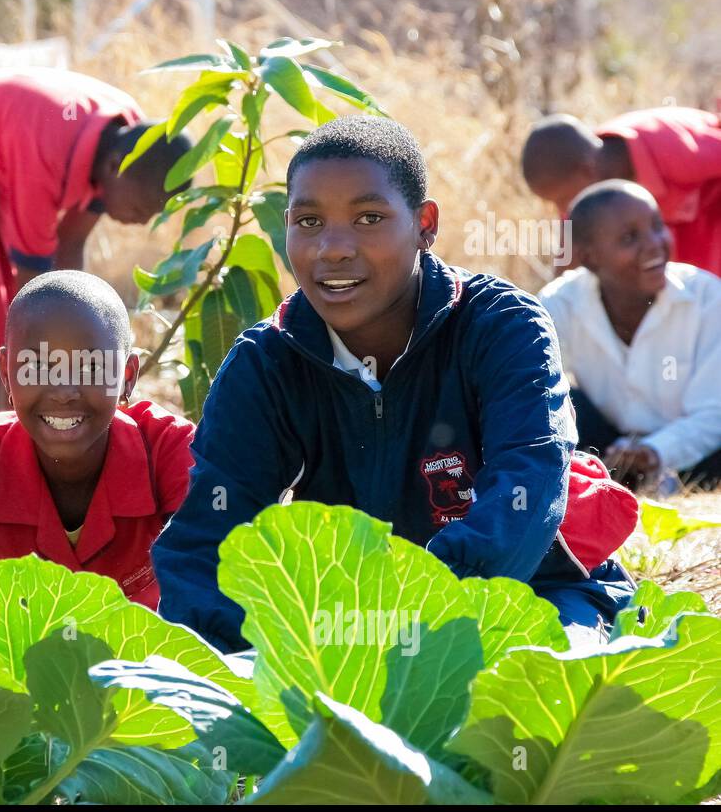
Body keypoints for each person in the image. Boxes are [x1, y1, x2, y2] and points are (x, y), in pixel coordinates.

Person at [153, 115, 639, 654]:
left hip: (530, 596)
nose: (333, 248)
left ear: (425, 224)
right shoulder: (266, 363)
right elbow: (203, 542)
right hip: (349, 629)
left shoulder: (501, 326)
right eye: (309, 221)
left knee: (530, 694)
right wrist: (242, 654)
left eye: (368, 217)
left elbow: (524, 496)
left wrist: (410, 613)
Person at [0, 67, 191, 426]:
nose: (142, 222)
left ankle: (11, 438)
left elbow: (71, 246)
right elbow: (31, 291)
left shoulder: (126, 139)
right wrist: (53, 367)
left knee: (34, 332)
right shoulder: (45, 155)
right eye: (141, 209)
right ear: (115, 167)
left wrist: (82, 337)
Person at [0, 271, 195, 609]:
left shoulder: (169, 450)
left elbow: (206, 596)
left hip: (146, 658)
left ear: (127, 377)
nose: (63, 392)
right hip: (23, 657)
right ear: (6, 372)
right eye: (37, 365)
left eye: (91, 366)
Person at [539, 179, 721, 492]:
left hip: (696, 456)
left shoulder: (706, 299)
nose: (655, 243)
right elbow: (525, 386)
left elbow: (713, 414)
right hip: (606, 449)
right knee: (549, 399)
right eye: (629, 238)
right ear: (590, 257)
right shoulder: (560, 303)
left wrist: (652, 452)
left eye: (657, 225)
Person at [522, 107, 721, 275]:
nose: (563, 210)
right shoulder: (583, 187)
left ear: (588, 170)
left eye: (562, 199)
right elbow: (567, 271)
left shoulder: (677, 151)